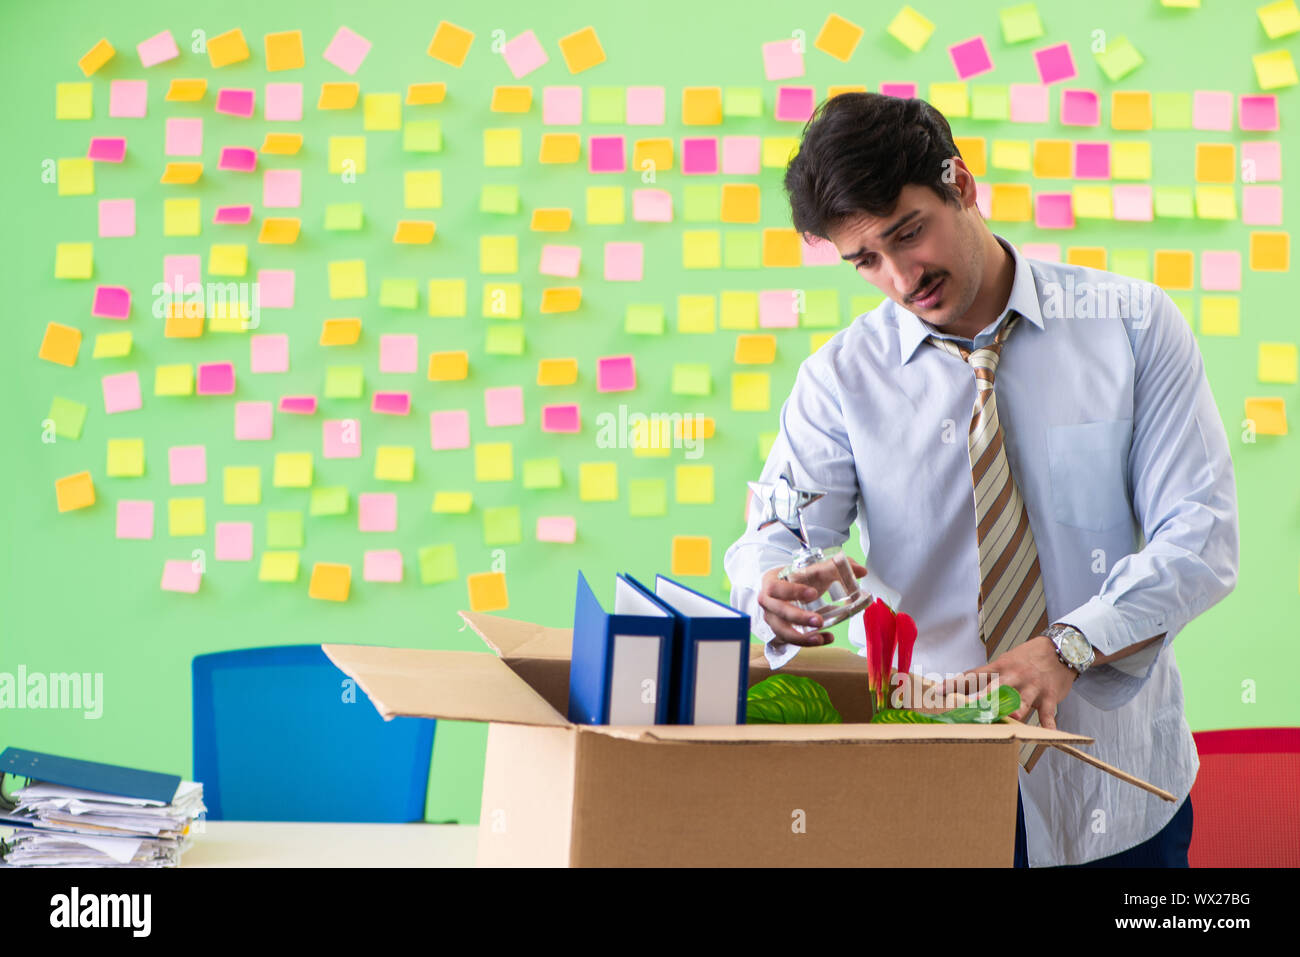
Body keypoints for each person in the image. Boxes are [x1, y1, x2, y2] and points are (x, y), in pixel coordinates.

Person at [723, 93, 1239, 867]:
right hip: (928, 794)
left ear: (962, 184)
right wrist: (776, 581)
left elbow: (1200, 534)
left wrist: (1068, 646)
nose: (900, 278)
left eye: (907, 233)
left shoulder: (1131, 325)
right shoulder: (838, 380)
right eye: (865, 260)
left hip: (1120, 790)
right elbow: (777, 532)